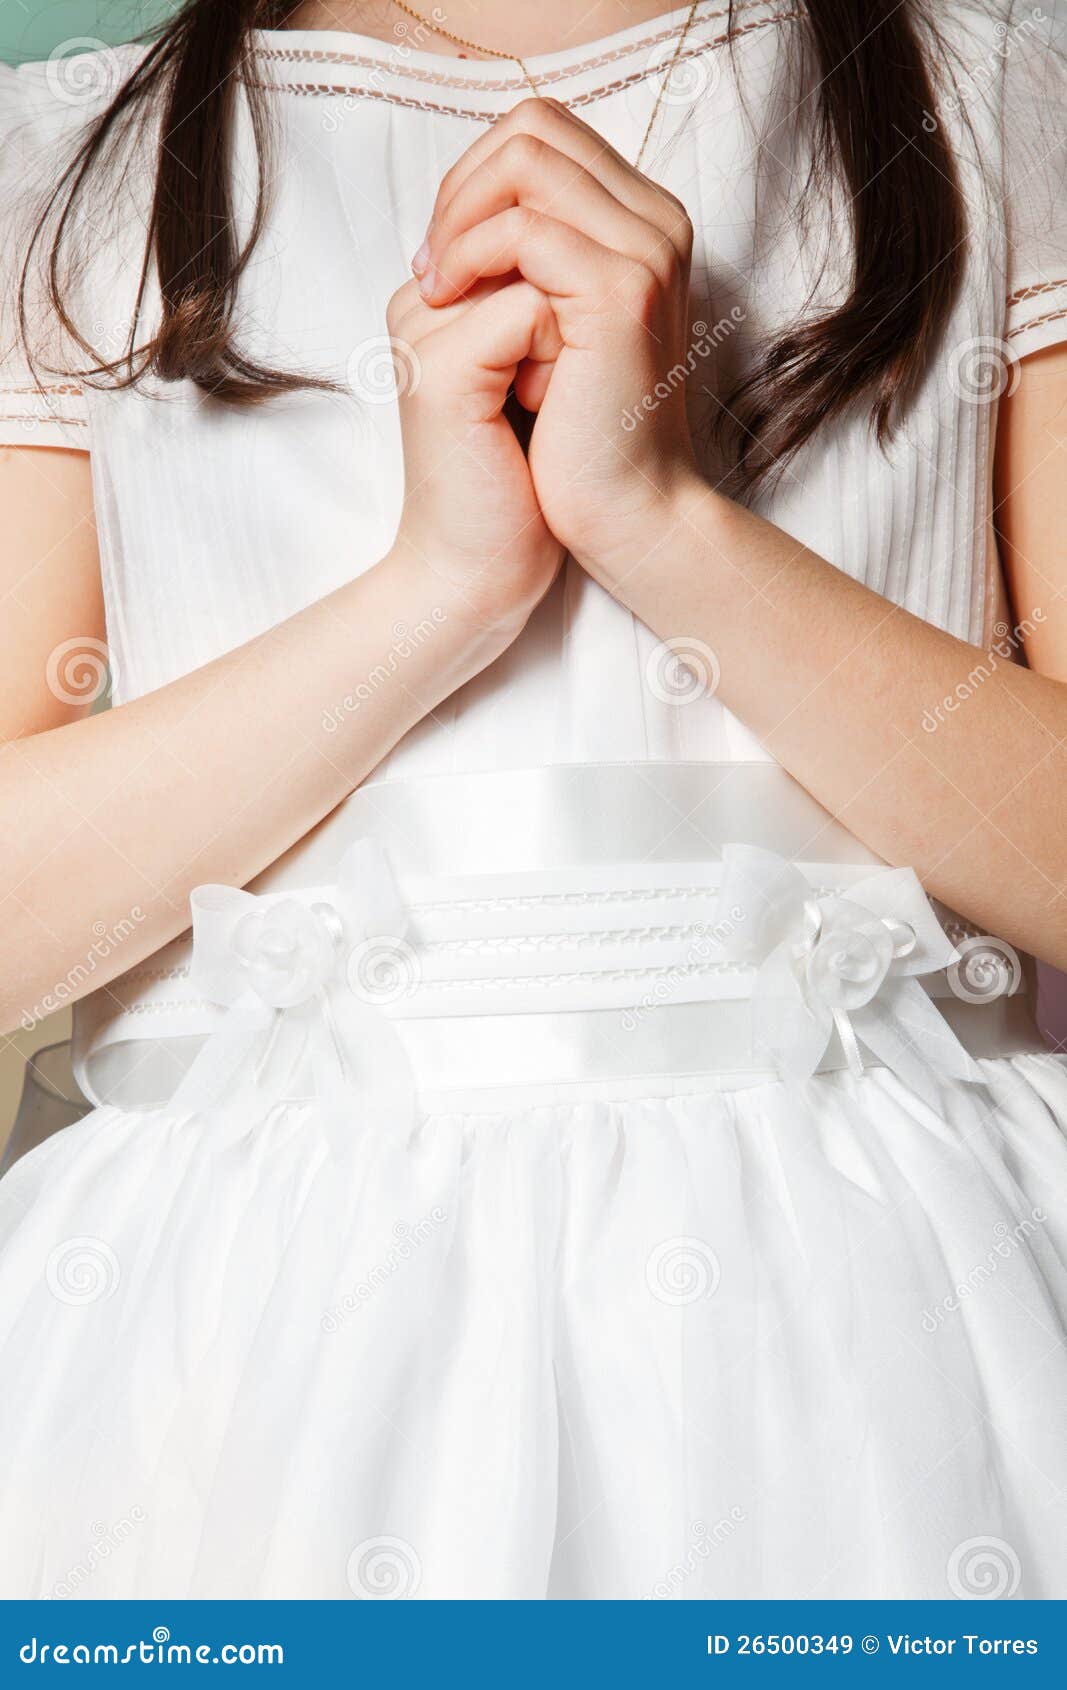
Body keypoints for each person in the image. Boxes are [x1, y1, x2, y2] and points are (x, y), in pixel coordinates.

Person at [0, 0, 1065, 1600]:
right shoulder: (73, 165)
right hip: (243, 1359)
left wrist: (660, 523)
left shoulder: (1007, 91)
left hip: (893, 1319)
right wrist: (436, 595)